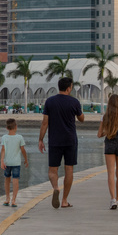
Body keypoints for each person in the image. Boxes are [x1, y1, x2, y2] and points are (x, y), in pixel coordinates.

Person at [38, 77, 85, 209]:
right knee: (69, 169)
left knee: (53, 170)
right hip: (70, 140)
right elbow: (81, 119)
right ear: (69, 88)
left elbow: (45, 122)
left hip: (54, 140)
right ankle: (64, 200)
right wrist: (78, 112)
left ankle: (56, 188)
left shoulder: (50, 102)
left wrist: (41, 139)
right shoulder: (74, 102)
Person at [98, 93, 118, 209]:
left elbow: (99, 134)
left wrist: (108, 131)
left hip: (109, 144)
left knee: (110, 173)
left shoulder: (104, 117)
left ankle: (112, 200)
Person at [0, 118, 28, 207]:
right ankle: (14, 200)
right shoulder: (20, 137)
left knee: (7, 180)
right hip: (16, 163)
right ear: (16, 127)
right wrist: (26, 159)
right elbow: (23, 150)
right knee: (16, 181)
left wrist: (2, 161)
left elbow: (3, 150)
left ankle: (7, 198)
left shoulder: (4, 137)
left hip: (7, 162)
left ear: (6, 128)